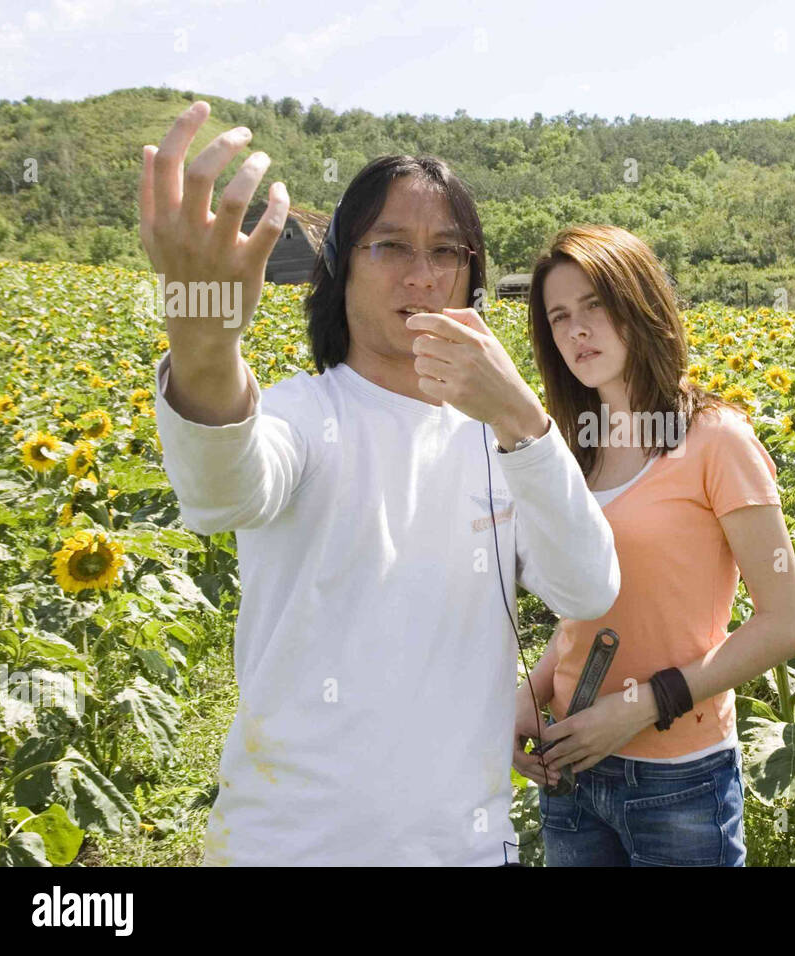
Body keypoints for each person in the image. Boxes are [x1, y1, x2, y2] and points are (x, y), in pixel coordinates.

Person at [140, 101, 619, 866]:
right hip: (289, 847)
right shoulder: (303, 414)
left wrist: (522, 417)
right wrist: (203, 336)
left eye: (447, 252)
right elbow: (221, 493)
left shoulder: (502, 437)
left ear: (473, 274)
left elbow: (588, 588)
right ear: (340, 269)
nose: (423, 278)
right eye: (390, 246)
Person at [511, 224, 795, 866]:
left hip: (676, 778)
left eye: (594, 305)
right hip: (567, 766)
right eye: (559, 317)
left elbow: (786, 624)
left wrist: (641, 707)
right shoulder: (572, 447)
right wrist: (530, 696)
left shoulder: (716, 440)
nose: (576, 331)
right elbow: (582, 621)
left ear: (639, 304)